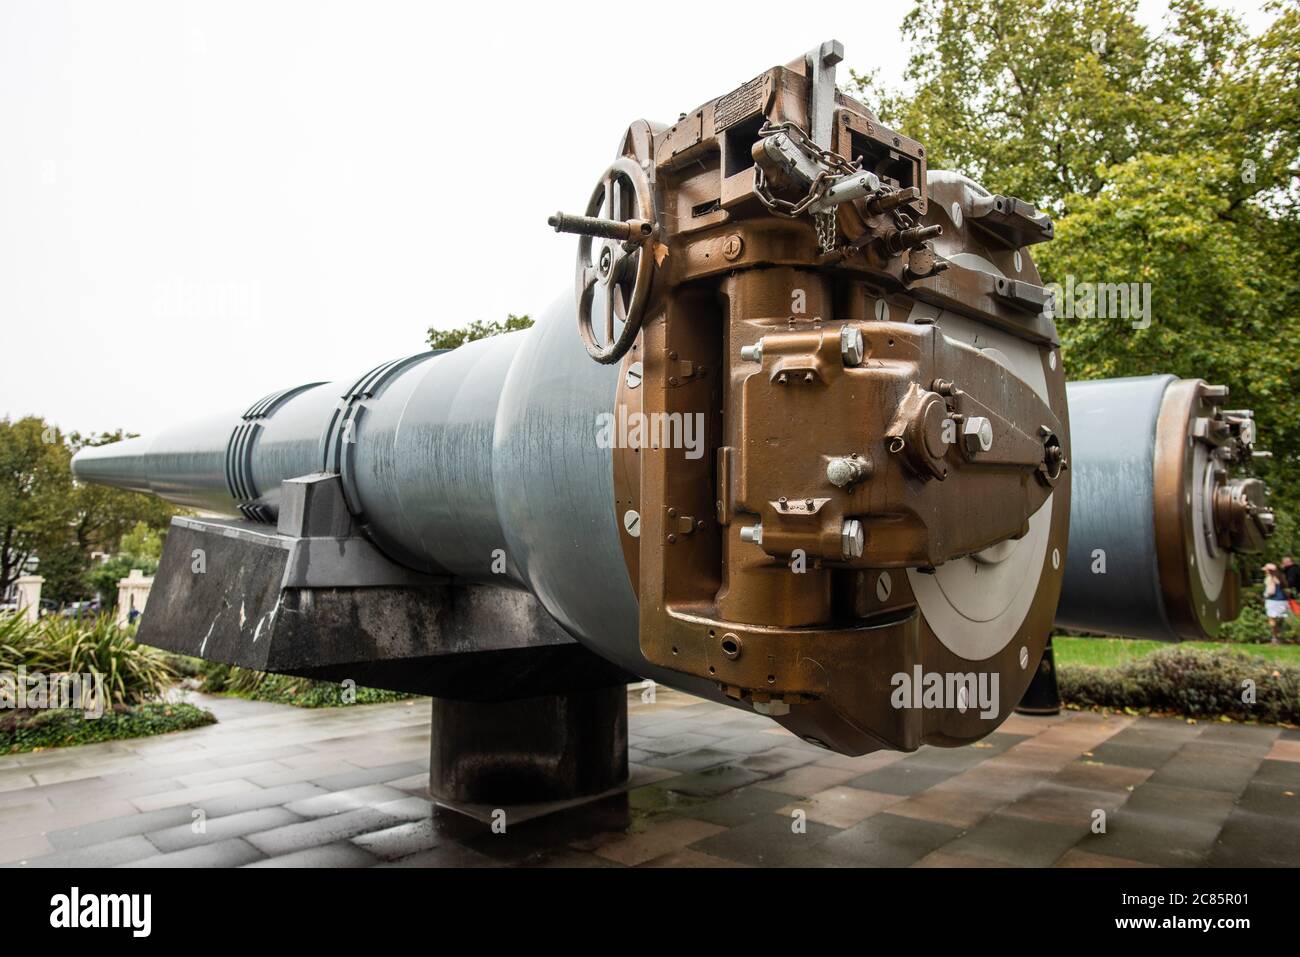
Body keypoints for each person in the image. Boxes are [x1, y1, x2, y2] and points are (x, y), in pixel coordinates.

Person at [1263, 563, 1290, 643]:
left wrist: (1265, 596)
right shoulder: (1281, 577)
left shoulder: (1269, 578)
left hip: (1273, 601)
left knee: (1272, 619)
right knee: (1282, 619)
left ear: (1269, 571)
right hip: (1283, 601)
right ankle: (1282, 636)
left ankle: (1274, 638)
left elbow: (1271, 591)